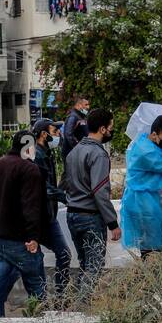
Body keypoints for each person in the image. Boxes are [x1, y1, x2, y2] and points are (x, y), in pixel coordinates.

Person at [0, 130, 48, 316]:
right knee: (37, 288)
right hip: (20, 240)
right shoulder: (29, 169)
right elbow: (31, 206)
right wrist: (34, 237)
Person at [63, 107, 121, 290]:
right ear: (103, 129)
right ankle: (82, 307)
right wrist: (113, 223)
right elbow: (100, 191)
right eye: (110, 126)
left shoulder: (74, 152)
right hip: (90, 217)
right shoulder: (98, 154)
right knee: (94, 267)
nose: (112, 130)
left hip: (72, 215)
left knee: (84, 264)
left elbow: (65, 183)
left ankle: (78, 310)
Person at [121, 115, 162, 259]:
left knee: (150, 242)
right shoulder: (147, 152)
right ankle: (154, 273)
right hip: (141, 200)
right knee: (150, 245)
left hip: (144, 197)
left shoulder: (146, 141)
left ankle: (157, 271)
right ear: (154, 133)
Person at [31, 118, 73, 295]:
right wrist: (63, 196)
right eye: (55, 132)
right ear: (43, 134)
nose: (59, 135)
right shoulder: (36, 156)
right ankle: (46, 296)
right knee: (43, 258)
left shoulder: (46, 154)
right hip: (40, 218)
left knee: (63, 254)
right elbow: (41, 187)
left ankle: (59, 294)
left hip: (48, 215)